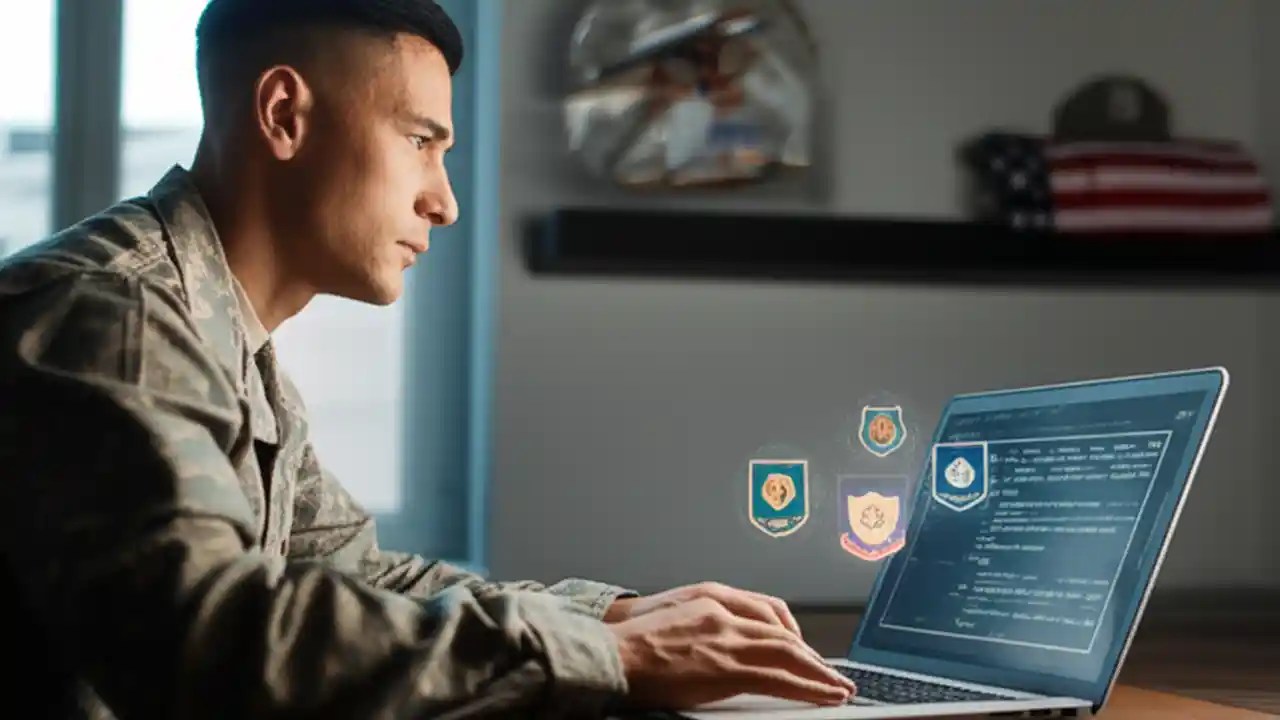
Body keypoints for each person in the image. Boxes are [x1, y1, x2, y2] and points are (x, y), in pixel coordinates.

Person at [0, 1, 857, 717]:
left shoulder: (225, 342)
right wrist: (607, 652)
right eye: (421, 141)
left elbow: (361, 576)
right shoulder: (117, 316)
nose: (443, 201)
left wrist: (622, 614)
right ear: (284, 116)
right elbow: (209, 641)